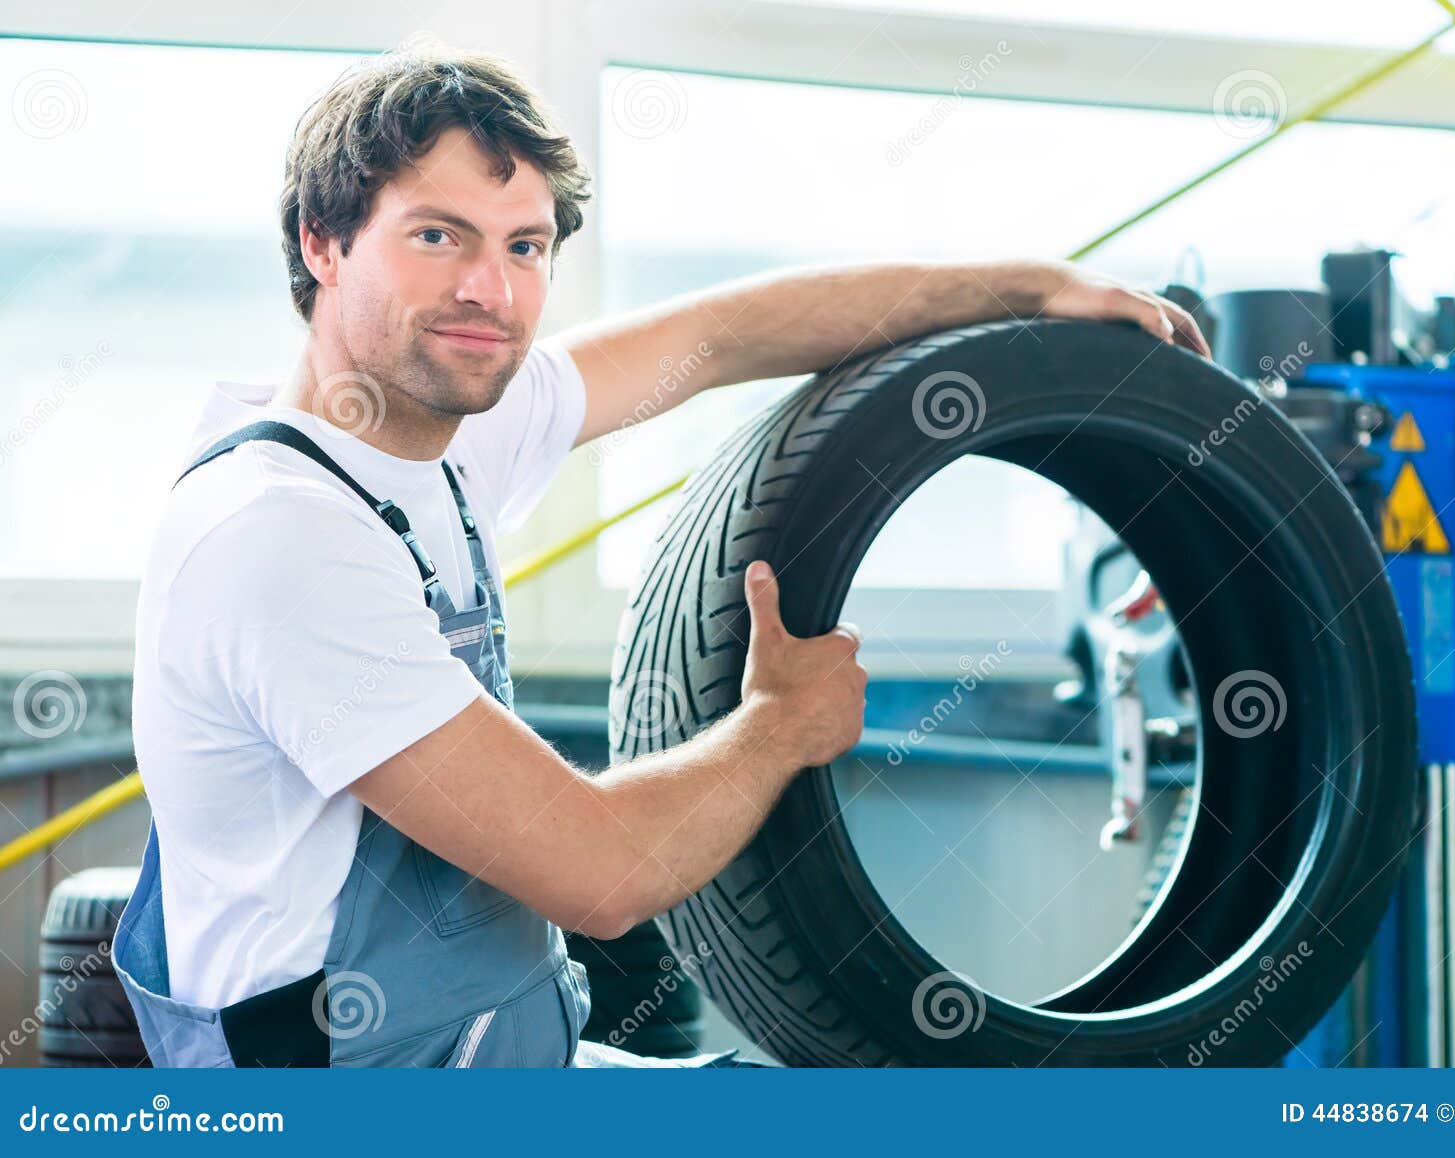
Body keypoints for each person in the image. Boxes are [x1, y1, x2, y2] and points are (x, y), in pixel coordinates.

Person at [111, 45, 1209, 1068]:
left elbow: (728, 335)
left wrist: (1027, 289)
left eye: (524, 246)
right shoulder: (280, 535)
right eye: (437, 236)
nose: (489, 292)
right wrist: (781, 727)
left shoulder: (437, 437)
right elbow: (602, 871)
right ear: (321, 240)